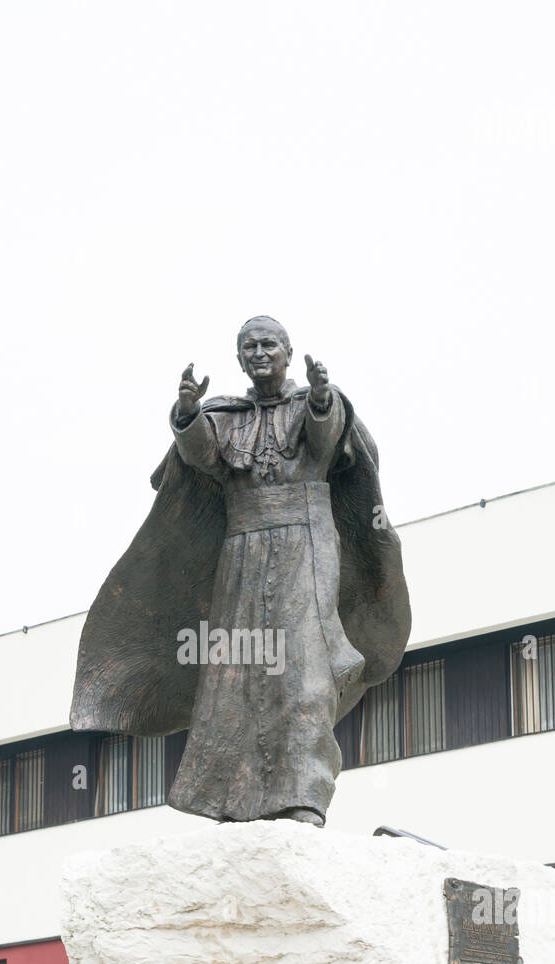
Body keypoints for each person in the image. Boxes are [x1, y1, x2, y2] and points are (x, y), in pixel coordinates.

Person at [70, 316, 410, 826]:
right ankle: (233, 800)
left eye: (269, 344)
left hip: (306, 546)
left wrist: (320, 400)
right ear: (238, 359)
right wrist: (186, 414)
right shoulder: (227, 414)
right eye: (249, 346)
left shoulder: (312, 403)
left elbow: (328, 444)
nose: (259, 352)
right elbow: (203, 456)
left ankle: (303, 796)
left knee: (302, 672)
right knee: (235, 675)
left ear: (289, 352)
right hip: (241, 555)